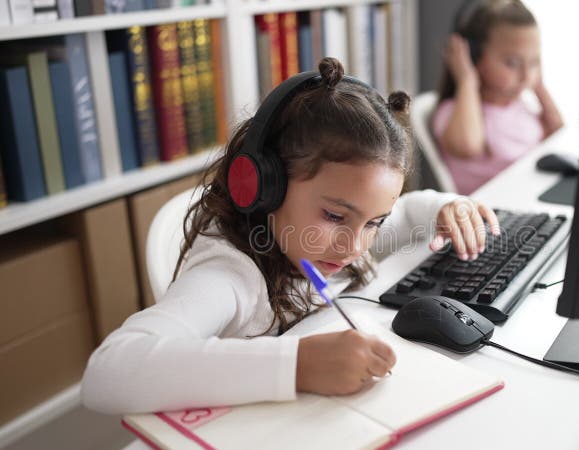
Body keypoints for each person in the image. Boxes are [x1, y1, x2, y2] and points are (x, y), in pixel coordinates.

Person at [80, 58, 500, 414]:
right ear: (263, 187)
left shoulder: (328, 238)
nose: (354, 247)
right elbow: (108, 371)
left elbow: (407, 214)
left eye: (373, 222)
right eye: (335, 215)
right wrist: (299, 364)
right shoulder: (231, 275)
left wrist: (442, 207)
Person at [433, 0, 564, 194]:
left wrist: (539, 86)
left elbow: (557, 133)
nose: (526, 75)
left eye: (534, 62)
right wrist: (467, 81)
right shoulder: (452, 112)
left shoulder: (521, 108)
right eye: (513, 63)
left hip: (527, 200)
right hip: (492, 213)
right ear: (474, 57)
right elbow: (467, 146)